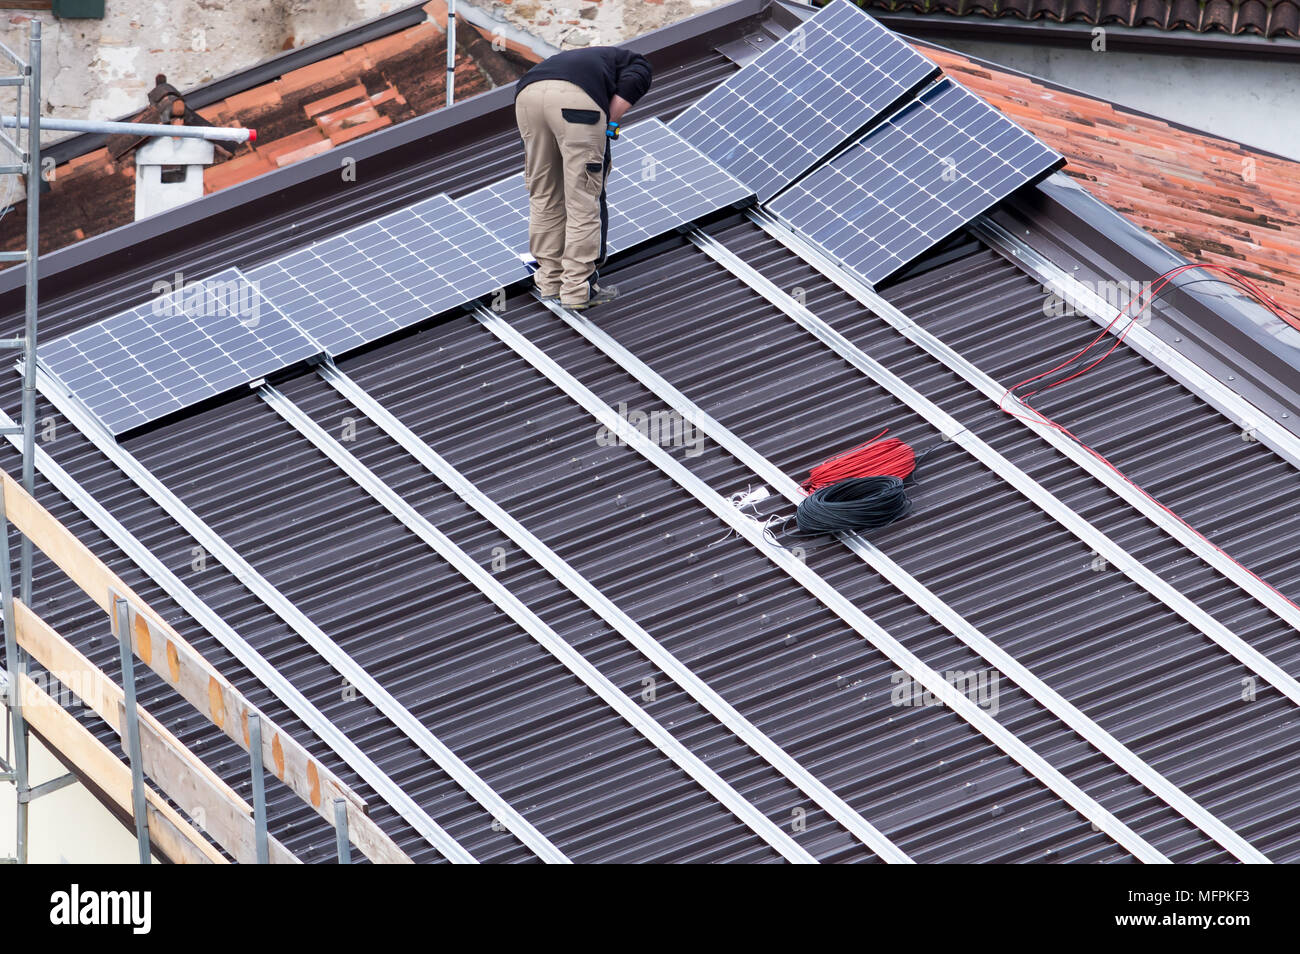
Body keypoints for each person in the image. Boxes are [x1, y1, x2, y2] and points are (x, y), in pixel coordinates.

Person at [514, 46, 653, 310]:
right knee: (583, 197)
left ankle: (549, 281)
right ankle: (579, 290)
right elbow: (636, 78)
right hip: (575, 103)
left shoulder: (579, 59)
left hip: (527, 97)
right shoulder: (637, 62)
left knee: (544, 194)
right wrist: (610, 123)